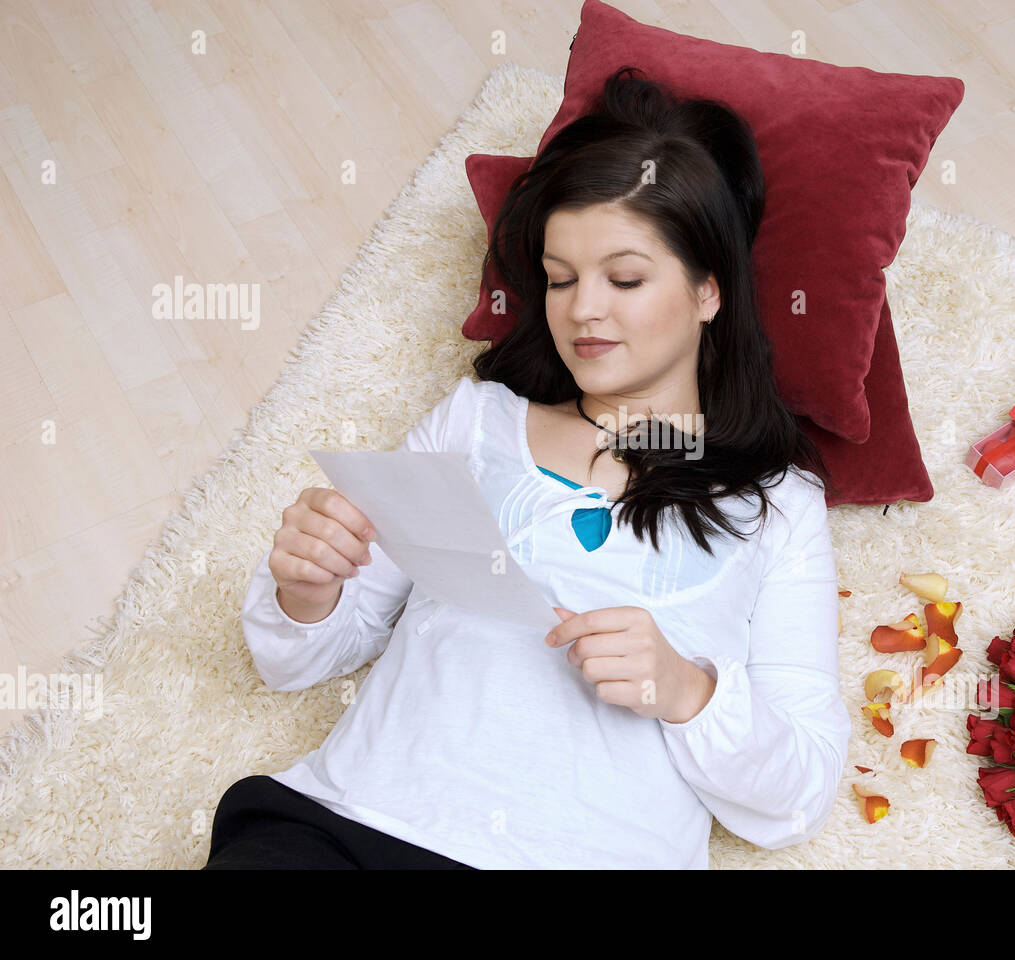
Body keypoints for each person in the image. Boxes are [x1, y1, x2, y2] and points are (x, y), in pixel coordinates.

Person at [205, 65, 849, 870]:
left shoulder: (778, 505)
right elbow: (295, 661)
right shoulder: (477, 422)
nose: (583, 310)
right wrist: (308, 589)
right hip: (352, 830)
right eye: (559, 279)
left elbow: (800, 798)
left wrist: (687, 690)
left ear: (708, 291)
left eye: (624, 279)